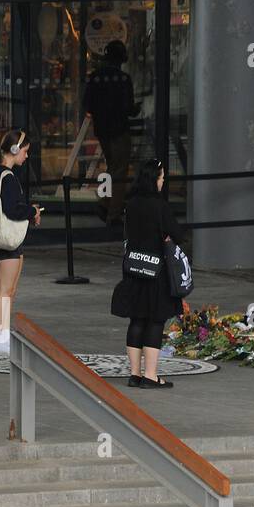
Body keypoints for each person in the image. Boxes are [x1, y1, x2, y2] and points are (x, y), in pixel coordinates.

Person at [111, 159, 185, 389]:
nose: (163, 182)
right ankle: (151, 376)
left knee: (137, 319)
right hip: (156, 272)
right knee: (155, 320)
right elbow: (176, 233)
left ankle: (134, 374)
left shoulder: (131, 204)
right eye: (162, 177)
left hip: (133, 269)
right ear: (155, 179)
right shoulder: (159, 205)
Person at [0, 129, 42, 355]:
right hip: (6, 239)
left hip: (9, 239)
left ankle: (2, 334)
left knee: (8, 290)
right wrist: (31, 211)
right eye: (25, 152)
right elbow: (12, 209)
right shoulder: (6, 176)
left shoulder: (0, 174)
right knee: (5, 290)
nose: (26, 156)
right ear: (15, 150)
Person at [83, 40, 137, 226]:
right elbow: (129, 107)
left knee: (112, 168)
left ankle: (105, 202)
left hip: (102, 129)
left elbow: (88, 105)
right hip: (119, 129)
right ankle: (113, 213)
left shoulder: (95, 77)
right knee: (120, 171)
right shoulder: (123, 79)